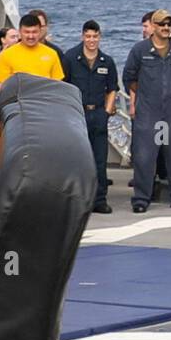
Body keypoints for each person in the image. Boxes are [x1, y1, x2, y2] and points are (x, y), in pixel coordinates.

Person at [122, 9, 171, 214]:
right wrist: (143, 97)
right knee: (146, 155)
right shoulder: (140, 50)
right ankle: (141, 198)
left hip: (170, 111)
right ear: (153, 27)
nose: (166, 28)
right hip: (148, 111)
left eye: (168, 25)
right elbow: (129, 77)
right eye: (162, 24)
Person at [64, 19, 119, 213]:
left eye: (95, 36)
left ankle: (99, 200)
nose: (91, 40)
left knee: (99, 160)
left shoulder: (107, 61)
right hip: (77, 115)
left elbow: (113, 88)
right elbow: (64, 87)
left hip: (98, 114)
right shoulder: (70, 58)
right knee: (76, 159)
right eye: (88, 36)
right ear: (82, 36)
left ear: (100, 37)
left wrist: (106, 111)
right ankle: (76, 200)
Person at [0, 13, 65, 92]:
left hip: (45, 101)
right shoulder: (7, 55)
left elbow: (58, 85)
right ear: (20, 32)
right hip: (18, 102)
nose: (31, 36)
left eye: (34, 32)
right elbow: (0, 86)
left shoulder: (51, 54)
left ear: (40, 31)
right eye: (27, 32)